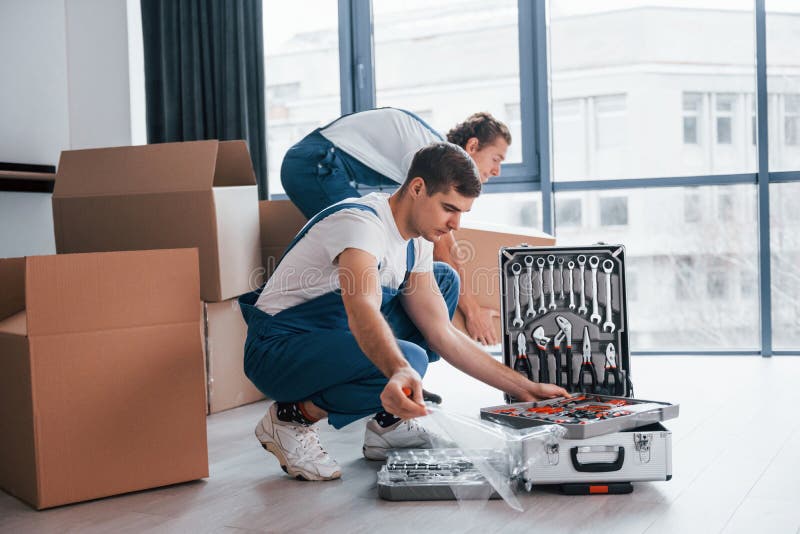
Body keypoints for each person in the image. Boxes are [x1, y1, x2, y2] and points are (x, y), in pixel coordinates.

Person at [239, 142, 568, 481]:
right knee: (411, 359)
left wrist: (523, 387)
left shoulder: (418, 242)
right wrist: (398, 368)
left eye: (462, 213)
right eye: (448, 208)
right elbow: (362, 307)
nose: (455, 224)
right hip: (278, 350)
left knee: (444, 281)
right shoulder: (361, 224)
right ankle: (292, 418)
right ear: (417, 188)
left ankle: (387, 425)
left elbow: (441, 332)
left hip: (328, 337)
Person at [280, 108, 511, 347]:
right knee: (366, 249)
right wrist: (473, 312)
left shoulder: (434, 160)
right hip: (314, 163)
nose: (497, 171)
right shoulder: (431, 155)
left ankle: (380, 350)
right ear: (472, 146)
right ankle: (358, 348)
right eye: (496, 159)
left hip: (325, 165)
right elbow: (443, 249)